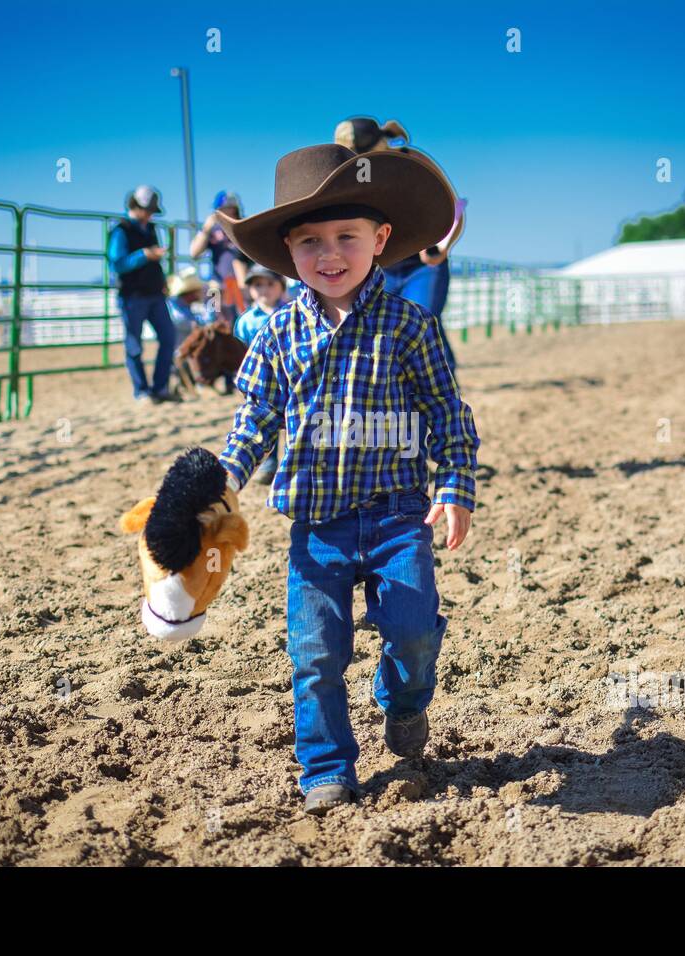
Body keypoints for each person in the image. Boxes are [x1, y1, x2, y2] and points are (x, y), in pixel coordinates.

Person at [214, 143, 479, 814]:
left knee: (414, 629)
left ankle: (404, 698)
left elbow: (446, 412)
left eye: (345, 237)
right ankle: (327, 769)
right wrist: (227, 475)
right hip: (317, 527)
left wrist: (453, 483)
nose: (328, 254)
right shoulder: (276, 334)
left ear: (380, 239)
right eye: (309, 242)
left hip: (397, 517)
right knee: (314, 654)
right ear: (286, 250)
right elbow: (255, 416)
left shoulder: (408, 324)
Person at [335, 117, 465, 375]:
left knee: (420, 322)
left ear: (380, 144)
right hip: (381, 269)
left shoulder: (412, 161)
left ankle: (444, 382)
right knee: (389, 333)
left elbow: (454, 208)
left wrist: (441, 248)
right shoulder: (348, 173)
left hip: (422, 265)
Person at [107, 185, 181, 404]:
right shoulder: (120, 230)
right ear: (135, 206)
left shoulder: (149, 229)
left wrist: (162, 280)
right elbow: (117, 263)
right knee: (134, 345)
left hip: (155, 294)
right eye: (146, 210)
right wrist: (144, 255)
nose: (149, 214)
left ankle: (160, 388)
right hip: (132, 296)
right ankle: (142, 391)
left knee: (168, 337)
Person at [233, 264, 288, 485]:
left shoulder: (290, 314)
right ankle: (268, 463)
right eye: (257, 285)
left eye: (269, 283)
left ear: (281, 287)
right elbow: (240, 352)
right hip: (261, 381)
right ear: (250, 289)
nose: (264, 289)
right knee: (265, 421)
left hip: (290, 378)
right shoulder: (245, 321)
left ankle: (291, 462)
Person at [190, 191, 251, 325]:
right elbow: (194, 252)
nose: (226, 212)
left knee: (242, 324)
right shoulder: (213, 228)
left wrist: (246, 284)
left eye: (230, 209)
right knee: (214, 323)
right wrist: (206, 229)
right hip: (216, 284)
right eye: (222, 209)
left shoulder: (243, 226)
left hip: (239, 286)